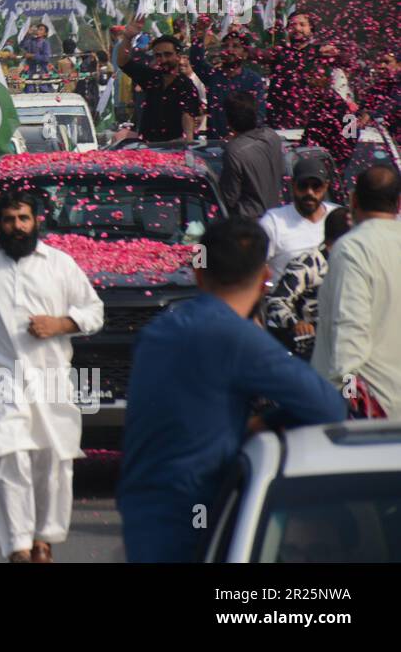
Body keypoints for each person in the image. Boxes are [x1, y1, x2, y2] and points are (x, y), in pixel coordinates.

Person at [117, 217, 345, 562]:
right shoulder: (238, 338)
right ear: (265, 277)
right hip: (194, 509)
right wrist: (262, 423)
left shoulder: (158, 332)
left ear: (198, 273)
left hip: (142, 510)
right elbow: (329, 406)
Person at [0, 190, 105, 562]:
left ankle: (44, 539)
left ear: (36, 222)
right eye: (9, 219)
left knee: (53, 461)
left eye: (23, 219)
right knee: (8, 458)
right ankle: (17, 544)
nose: (16, 227)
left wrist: (61, 323)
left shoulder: (59, 265)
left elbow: (94, 311)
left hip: (50, 379)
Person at [313, 165, 401, 420]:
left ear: (353, 199)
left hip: (372, 410)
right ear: (398, 203)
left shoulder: (352, 248)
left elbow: (350, 331)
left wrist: (347, 399)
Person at [267, 207, 352, 359]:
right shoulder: (308, 264)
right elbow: (276, 302)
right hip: (316, 350)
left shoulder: (357, 265)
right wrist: (297, 324)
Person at [252, 12, 349, 131]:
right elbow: (257, 54)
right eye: (293, 25)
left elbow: (349, 59)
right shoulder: (279, 52)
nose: (297, 28)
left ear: (311, 29)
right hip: (279, 122)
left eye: (302, 24)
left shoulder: (322, 53)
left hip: (312, 124)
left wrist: (336, 53)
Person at [116, 18, 202, 142]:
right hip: (147, 150)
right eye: (158, 55)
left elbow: (187, 116)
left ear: (178, 57)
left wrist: (187, 141)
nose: (163, 59)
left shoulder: (186, 85)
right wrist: (127, 37)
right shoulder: (151, 77)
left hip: (173, 150)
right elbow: (123, 62)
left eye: (167, 54)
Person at [258, 155, 340, 279]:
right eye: (303, 185)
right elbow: (253, 270)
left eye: (316, 186)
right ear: (293, 185)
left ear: (326, 186)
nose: (309, 192)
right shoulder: (273, 222)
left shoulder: (339, 218)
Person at [188, 23, 266, 138]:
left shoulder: (253, 79)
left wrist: (239, 136)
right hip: (215, 145)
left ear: (244, 54)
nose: (229, 50)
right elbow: (196, 60)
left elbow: (259, 115)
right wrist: (200, 33)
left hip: (244, 144)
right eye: (225, 46)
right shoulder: (213, 76)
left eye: (235, 46)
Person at [218, 92, 285, 219]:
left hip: (248, 223)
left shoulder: (234, 151)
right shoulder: (272, 137)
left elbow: (229, 197)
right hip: (276, 217)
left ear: (228, 121)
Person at [362, 51, 401, 132]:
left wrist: (371, 114)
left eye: (387, 62)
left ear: (399, 64)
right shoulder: (379, 85)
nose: (382, 66)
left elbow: (394, 103)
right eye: (380, 62)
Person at [20, 23, 54, 92]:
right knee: (29, 89)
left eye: (41, 30)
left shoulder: (45, 43)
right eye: (38, 29)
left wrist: (32, 56)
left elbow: (46, 58)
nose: (38, 31)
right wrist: (27, 34)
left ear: (45, 33)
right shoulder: (31, 41)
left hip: (42, 70)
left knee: (44, 89)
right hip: (31, 70)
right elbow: (22, 45)